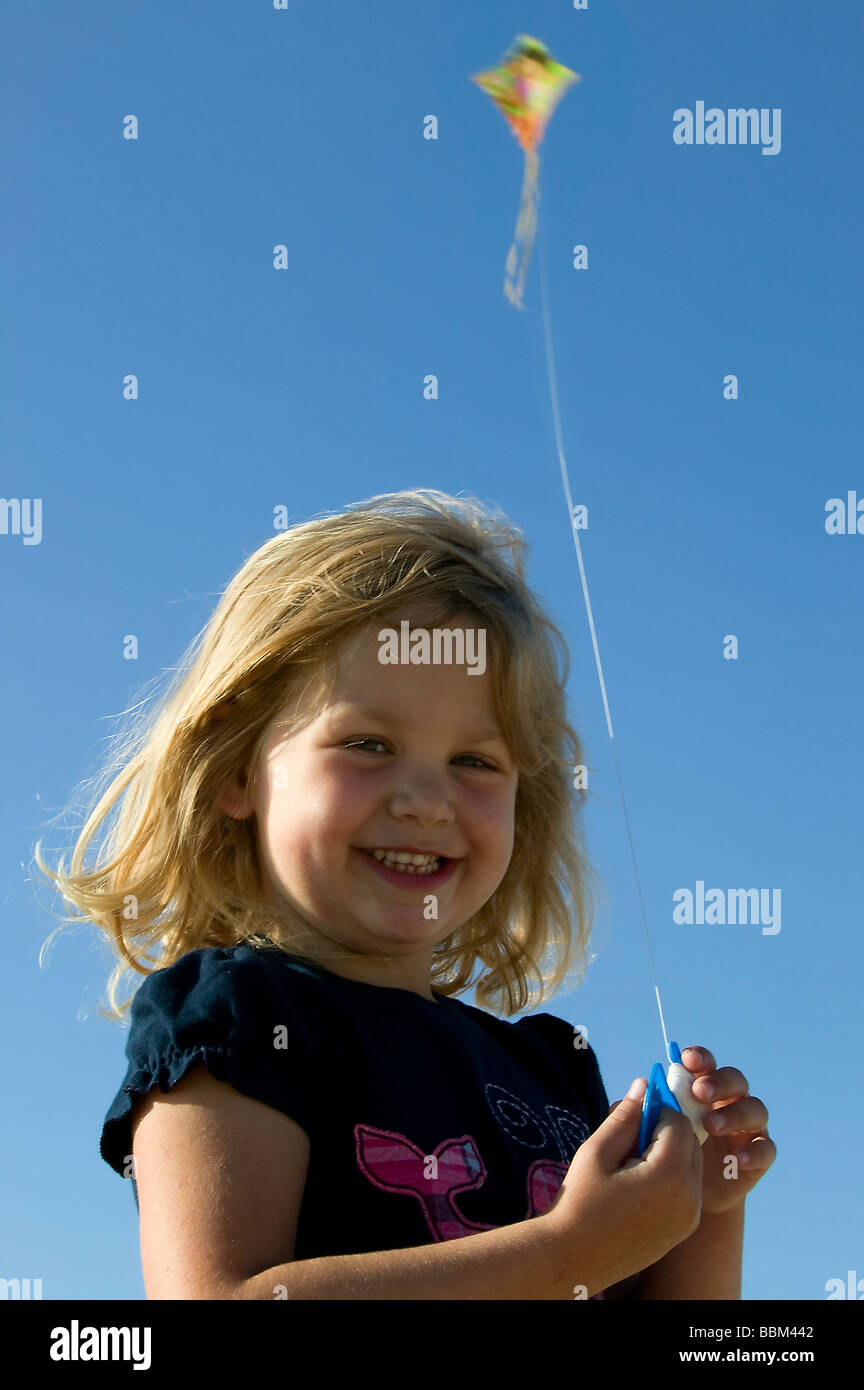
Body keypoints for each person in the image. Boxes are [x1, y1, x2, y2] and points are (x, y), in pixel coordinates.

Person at [36, 488, 774, 1299]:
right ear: (237, 768)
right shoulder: (241, 1021)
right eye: (368, 744)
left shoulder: (551, 1072)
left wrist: (703, 1210)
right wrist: (564, 1256)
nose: (425, 799)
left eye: (475, 762)